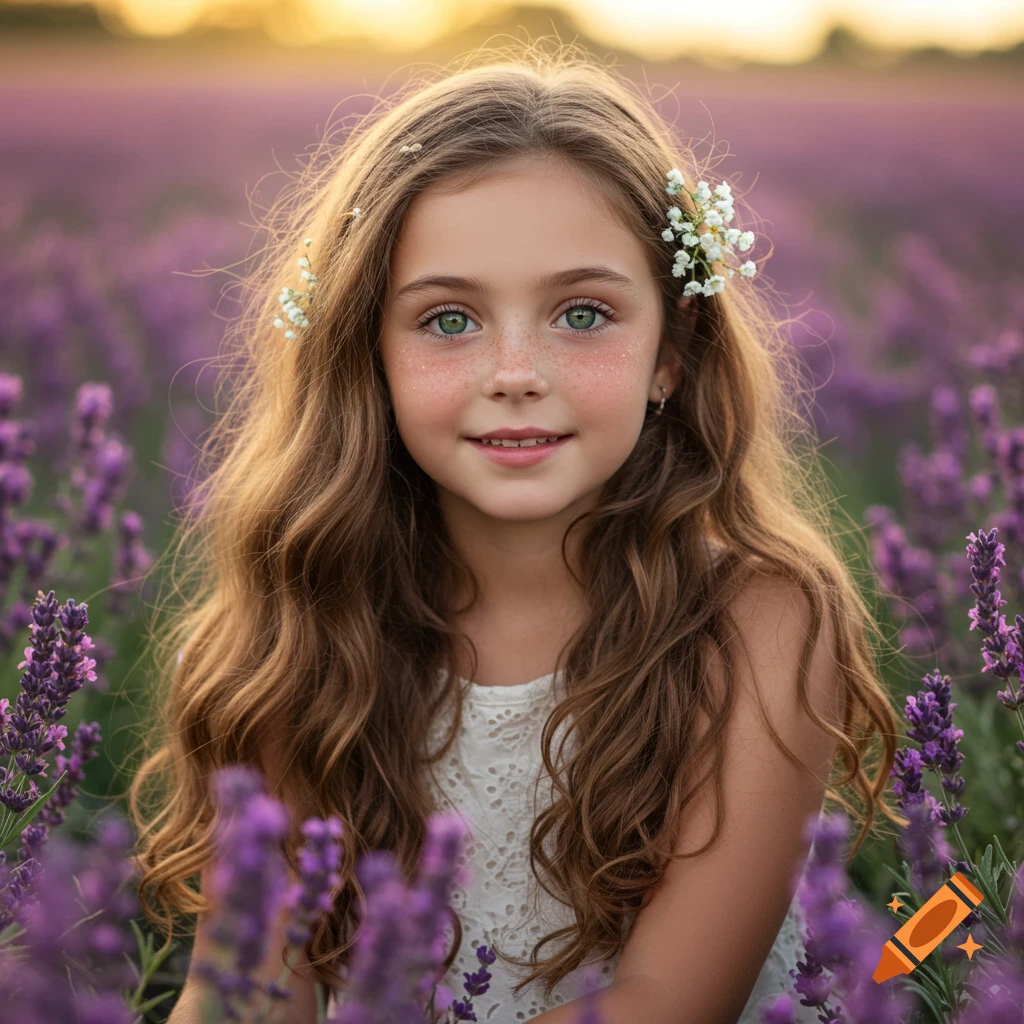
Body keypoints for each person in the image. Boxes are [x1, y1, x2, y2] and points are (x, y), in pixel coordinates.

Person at [130, 43, 907, 1024]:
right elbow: (243, 992)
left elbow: (666, 1001)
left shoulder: (755, 620)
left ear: (669, 353)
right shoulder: (299, 630)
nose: (515, 370)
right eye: (447, 319)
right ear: (368, 354)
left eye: (581, 313)